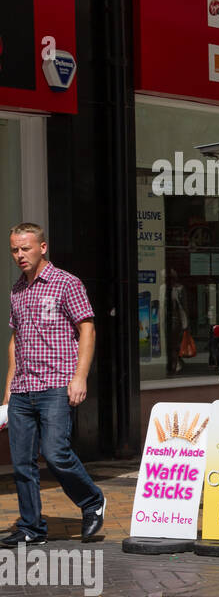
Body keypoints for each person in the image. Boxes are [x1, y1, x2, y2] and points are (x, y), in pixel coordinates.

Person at [2, 223, 106, 545]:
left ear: (42, 247)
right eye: (15, 250)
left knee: (56, 452)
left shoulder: (66, 283)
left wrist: (80, 376)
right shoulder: (17, 290)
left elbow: (86, 329)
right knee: (21, 463)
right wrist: (8, 390)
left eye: (26, 248)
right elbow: (15, 340)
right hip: (22, 388)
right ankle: (32, 527)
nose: (20, 255)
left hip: (56, 384)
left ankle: (92, 502)